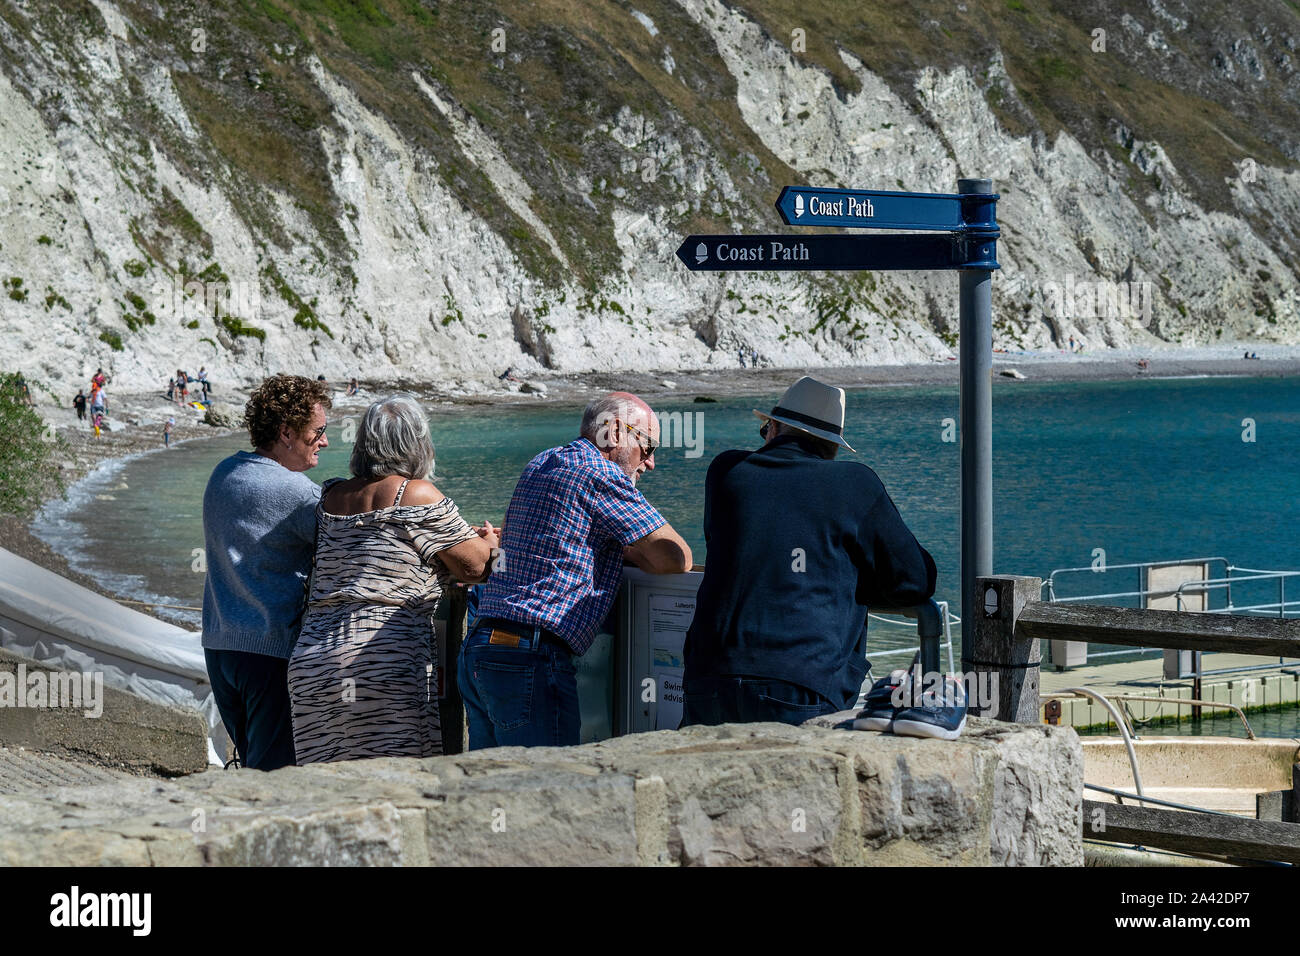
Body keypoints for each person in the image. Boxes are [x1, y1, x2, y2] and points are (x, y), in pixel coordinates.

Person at [681, 376, 937, 726]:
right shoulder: (855, 485)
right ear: (832, 446)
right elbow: (916, 581)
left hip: (709, 677)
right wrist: (848, 578)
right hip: (800, 682)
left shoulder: (726, 472)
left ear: (774, 428)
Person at [459, 391, 693, 749]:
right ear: (615, 432)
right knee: (546, 788)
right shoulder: (599, 472)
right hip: (530, 656)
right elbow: (677, 557)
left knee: (489, 789)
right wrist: (628, 549)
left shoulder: (543, 461)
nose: (650, 464)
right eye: (647, 447)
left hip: (482, 646)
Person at [288, 396, 497, 764]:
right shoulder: (414, 493)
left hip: (313, 657)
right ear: (418, 443)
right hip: (379, 656)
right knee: (393, 789)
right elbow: (476, 568)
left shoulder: (330, 495)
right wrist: (491, 543)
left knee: (330, 791)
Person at [201, 374, 331, 770]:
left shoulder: (223, 473)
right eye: (318, 432)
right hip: (270, 654)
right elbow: (352, 546)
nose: (325, 441)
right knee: (274, 780)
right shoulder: (297, 492)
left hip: (219, 647)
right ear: (287, 433)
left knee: (250, 767)